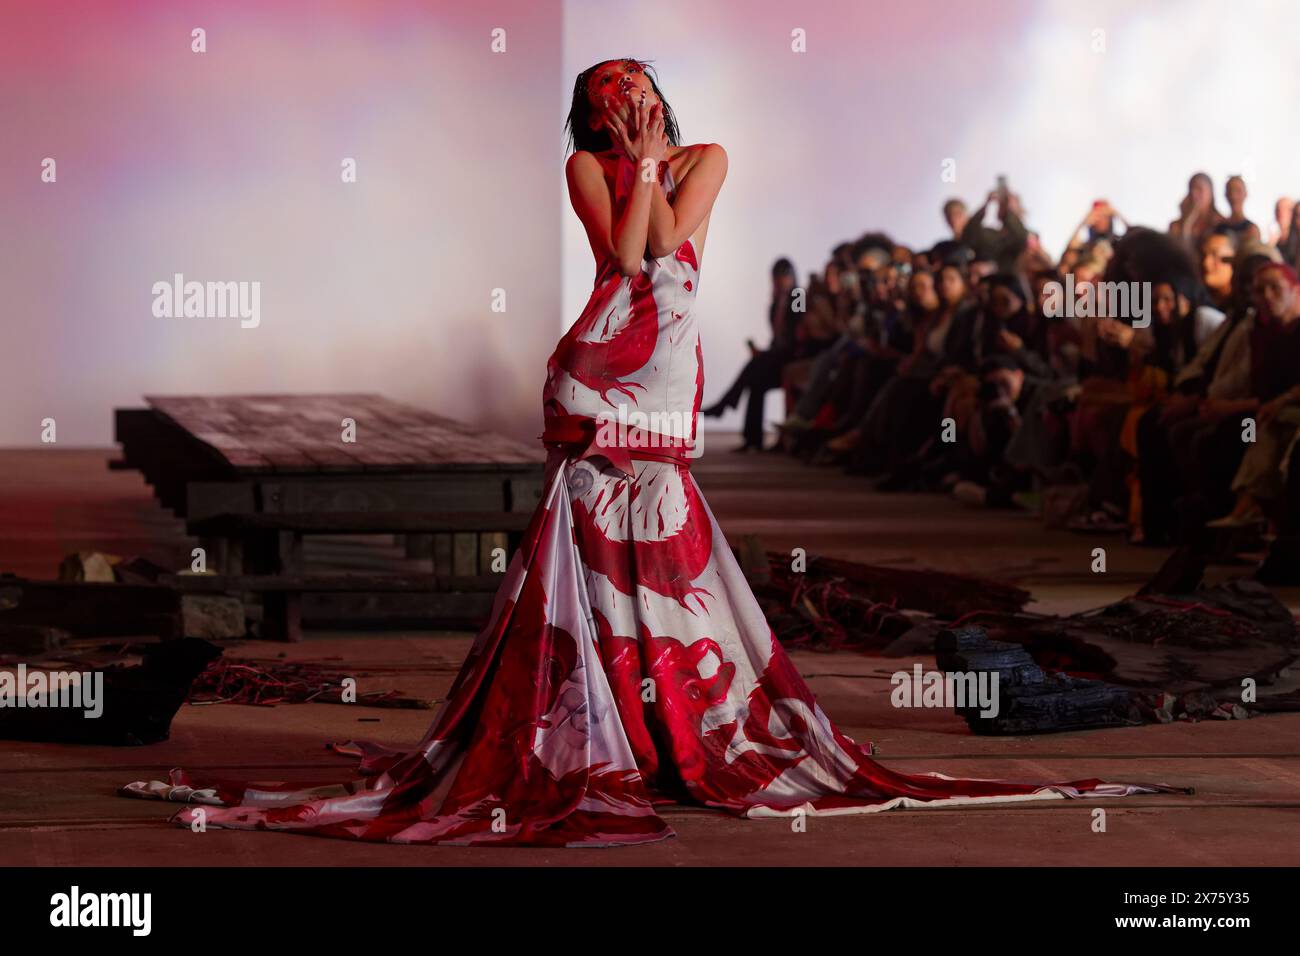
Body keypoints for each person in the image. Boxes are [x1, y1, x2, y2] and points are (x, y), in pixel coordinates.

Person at [120, 60, 1176, 847]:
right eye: (612, 107)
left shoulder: (706, 159)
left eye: (639, 102)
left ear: (662, 101)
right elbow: (625, 252)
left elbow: (673, 248)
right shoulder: (587, 166)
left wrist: (661, 157)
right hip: (596, 365)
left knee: (668, 544)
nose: (628, 115)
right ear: (595, 117)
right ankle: (601, 721)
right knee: (582, 548)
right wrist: (628, 160)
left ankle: (676, 724)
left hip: (666, 370)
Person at [700, 257, 801, 451]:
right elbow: (779, 338)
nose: (780, 281)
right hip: (779, 357)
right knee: (756, 382)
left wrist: (768, 353)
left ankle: (725, 404)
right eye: (777, 277)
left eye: (784, 276)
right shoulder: (775, 303)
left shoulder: (798, 296)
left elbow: (798, 332)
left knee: (755, 368)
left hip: (795, 356)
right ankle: (752, 439)